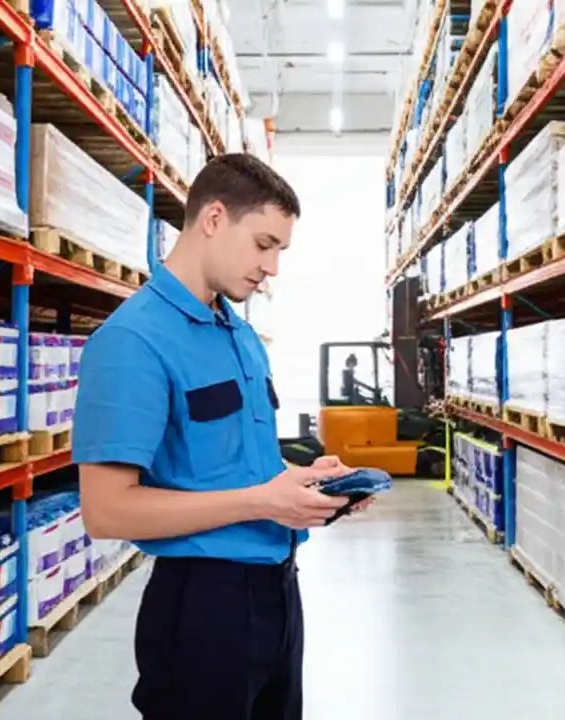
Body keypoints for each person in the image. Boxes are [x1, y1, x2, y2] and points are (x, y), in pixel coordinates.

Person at [73, 153, 367, 719]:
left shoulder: (241, 335)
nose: (273, 266)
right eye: (263, 244)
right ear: (212, 219)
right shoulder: (132, 341)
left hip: (277, 594)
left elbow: (235, 468)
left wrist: (298, 483)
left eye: (281, 249)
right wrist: (263, 501)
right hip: (203, 610)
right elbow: (106, 511)